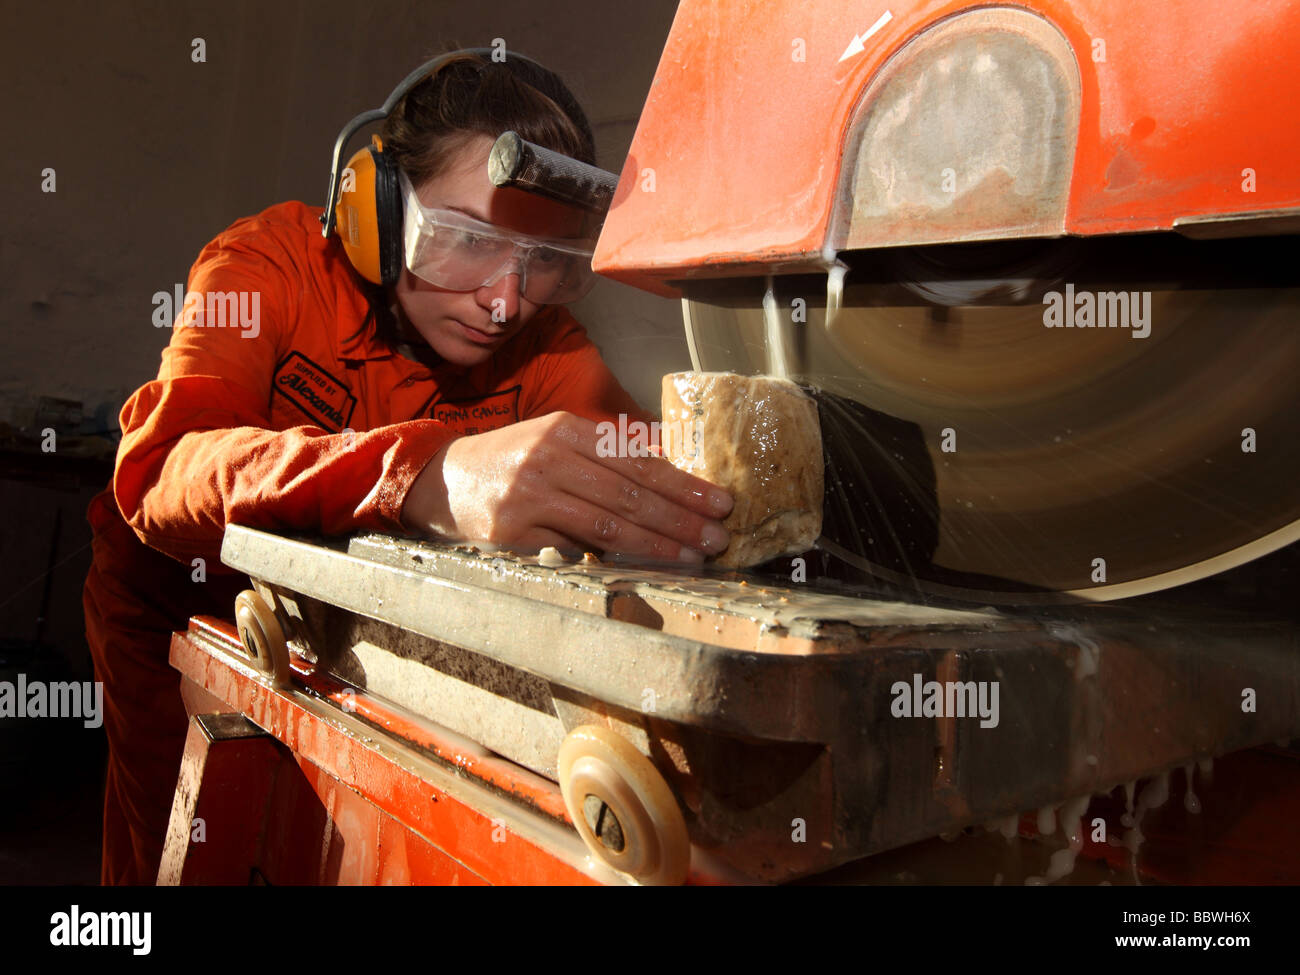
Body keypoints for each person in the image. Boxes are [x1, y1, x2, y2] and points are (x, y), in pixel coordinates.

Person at [82, 48, 733, 885]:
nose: (505, 300)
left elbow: (652, 482)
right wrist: (430, 476)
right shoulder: (267, 265)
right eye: (466, 239)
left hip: (339, 636)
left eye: (546, 263)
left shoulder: (544, 347)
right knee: (182, 844)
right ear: (375, 209)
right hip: (176, 599)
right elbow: (166, 469)